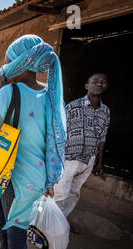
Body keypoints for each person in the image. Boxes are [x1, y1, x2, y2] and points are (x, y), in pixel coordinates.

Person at [0, 35, 66, 249]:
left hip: (11, 175)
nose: (5, 66)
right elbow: (56, 138)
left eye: (8, 61)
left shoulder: (9, 92)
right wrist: (50, 180)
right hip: (39, 178)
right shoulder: (51, 94)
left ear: (19, 62)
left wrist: (0, 89)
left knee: (16, 228)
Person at [54, 73, 110, 233]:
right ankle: (48, 226)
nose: (99, 84)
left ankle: (60, 223)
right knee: (60, 194)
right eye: (95, 81)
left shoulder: (105, 111)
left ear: (106, 87)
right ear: (87, 86)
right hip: (69, 157)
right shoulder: (73, 106)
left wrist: (99, 161)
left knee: (74, 194)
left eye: (103, 82)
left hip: (89, 159)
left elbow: (102, 136)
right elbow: (60, 131)